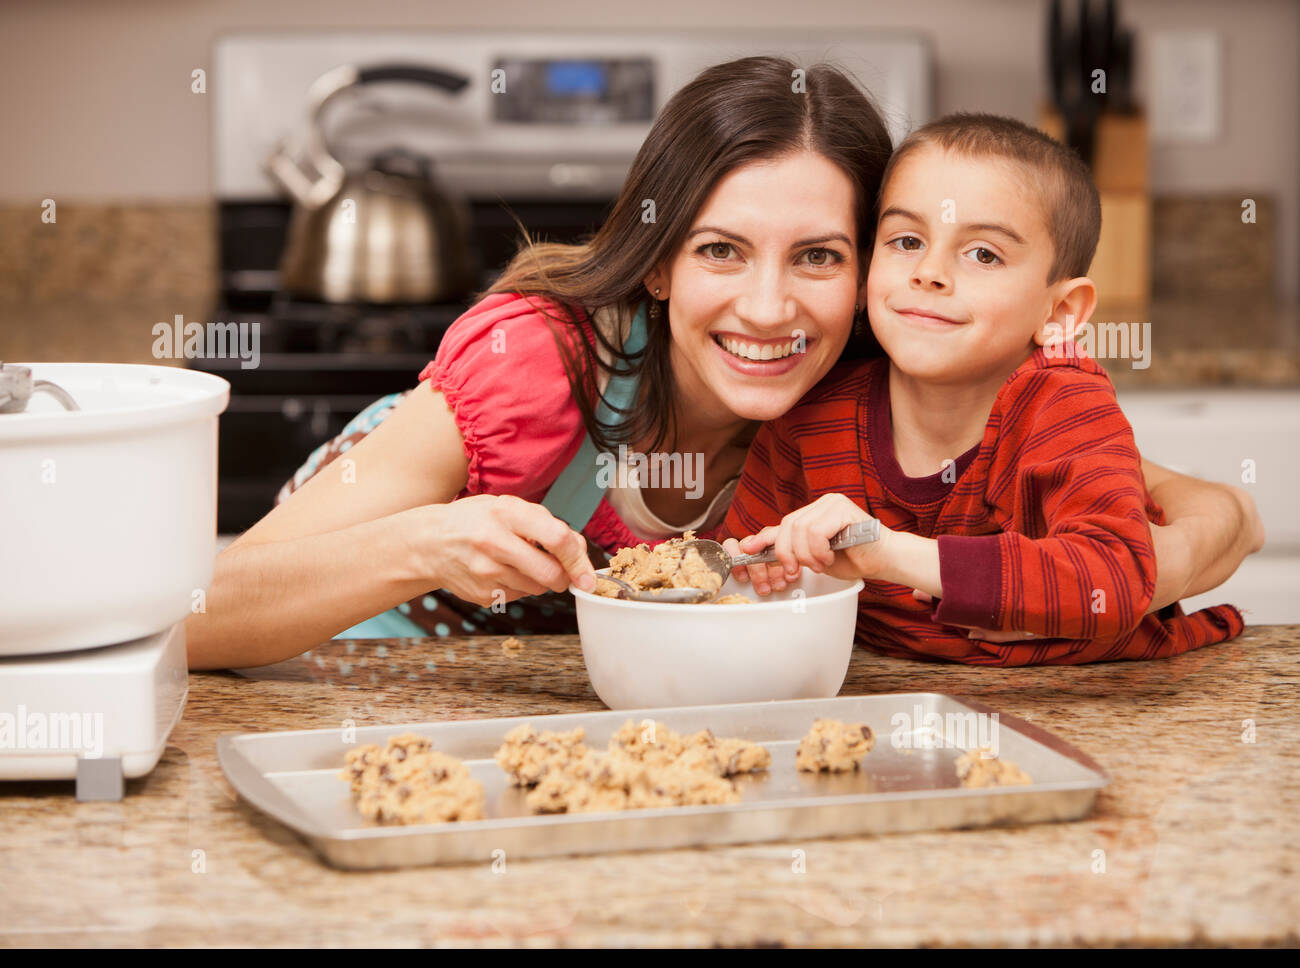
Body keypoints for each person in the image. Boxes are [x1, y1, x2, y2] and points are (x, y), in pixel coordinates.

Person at [186, 61, 1260, 672]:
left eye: (820, 258)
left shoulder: (885, 390)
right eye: (719, 251)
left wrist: (1103, 589)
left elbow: (1220, 519)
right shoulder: (542, 364)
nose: (766, 309)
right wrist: (426, 542)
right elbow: (198, 612)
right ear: (656, 263)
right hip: (331, 704)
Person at [721, 113, 1263, 664]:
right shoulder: (815, 414)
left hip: (1092, 704)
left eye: (984, 254)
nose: (929, 272)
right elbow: (735, 579)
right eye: (906, 240)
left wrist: (884, 551)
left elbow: (1118, 577)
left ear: (1060, 312)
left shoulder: (1062, 405)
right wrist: (763, 569)